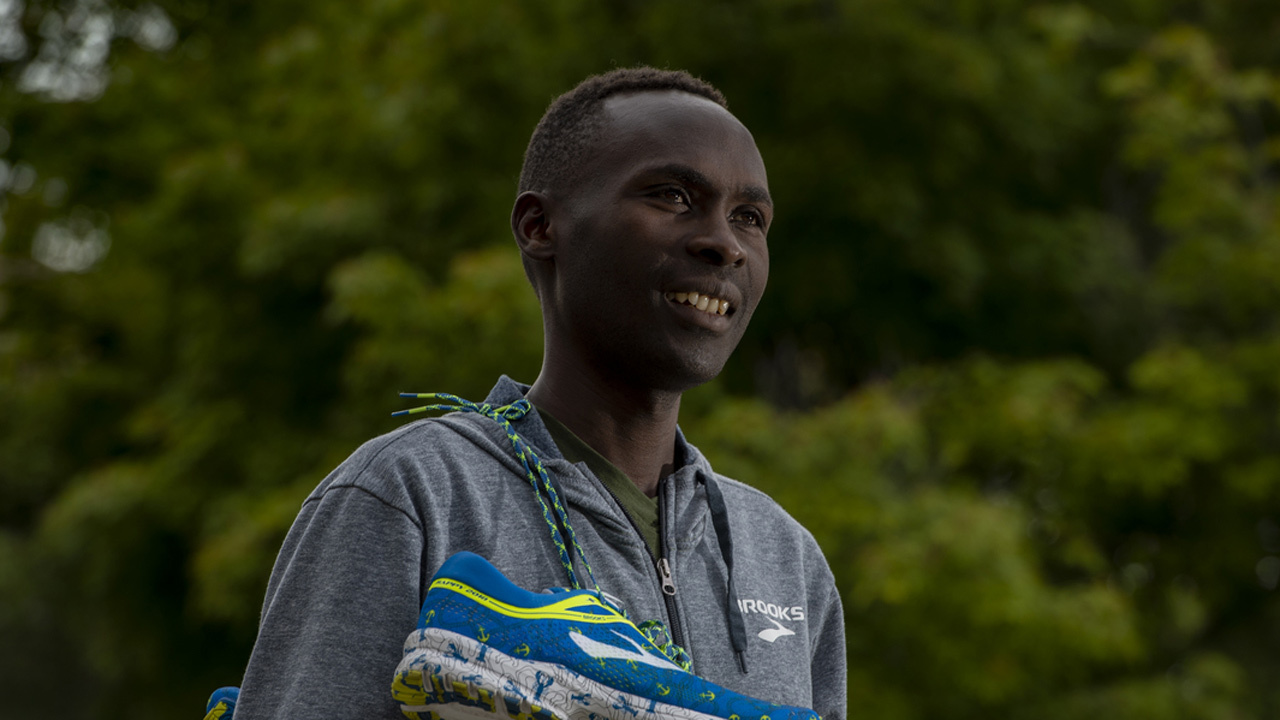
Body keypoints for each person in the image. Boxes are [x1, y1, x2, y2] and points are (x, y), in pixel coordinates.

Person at [233, 67, 846, 719]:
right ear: (540, 226)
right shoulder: (414, 494)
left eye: (749, 217)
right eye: (671, 195)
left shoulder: (785, 557)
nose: (724, 244)